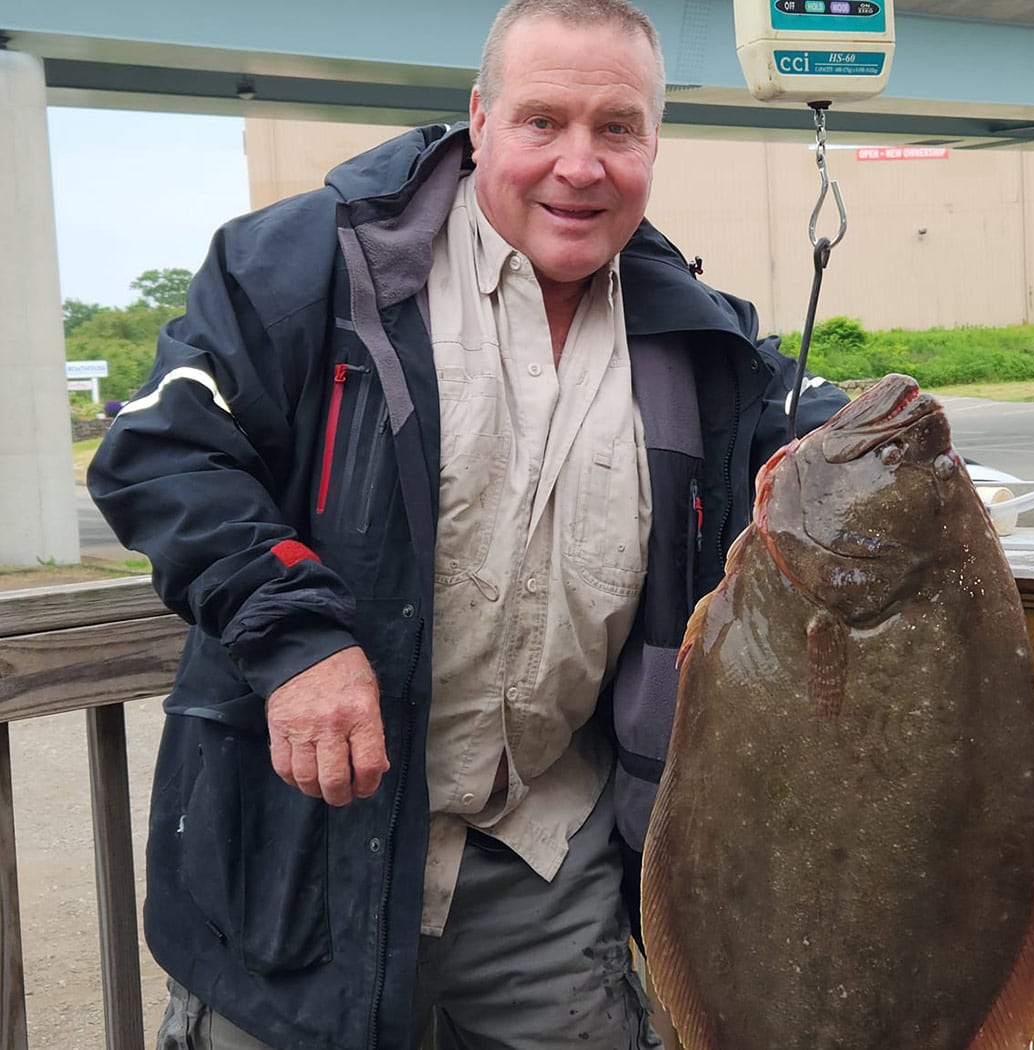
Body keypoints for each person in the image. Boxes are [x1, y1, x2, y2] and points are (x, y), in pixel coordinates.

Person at [88, 1, 847, 1047]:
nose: (579, 164)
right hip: (302, 867)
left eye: (615, 128)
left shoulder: (694, 343)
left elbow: (817, 442)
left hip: (546, 864)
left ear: (652, 146)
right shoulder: (309, 265)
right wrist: (294, 635)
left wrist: (914, 461)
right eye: (543, 122)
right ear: (480, 120)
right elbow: (162, 447)